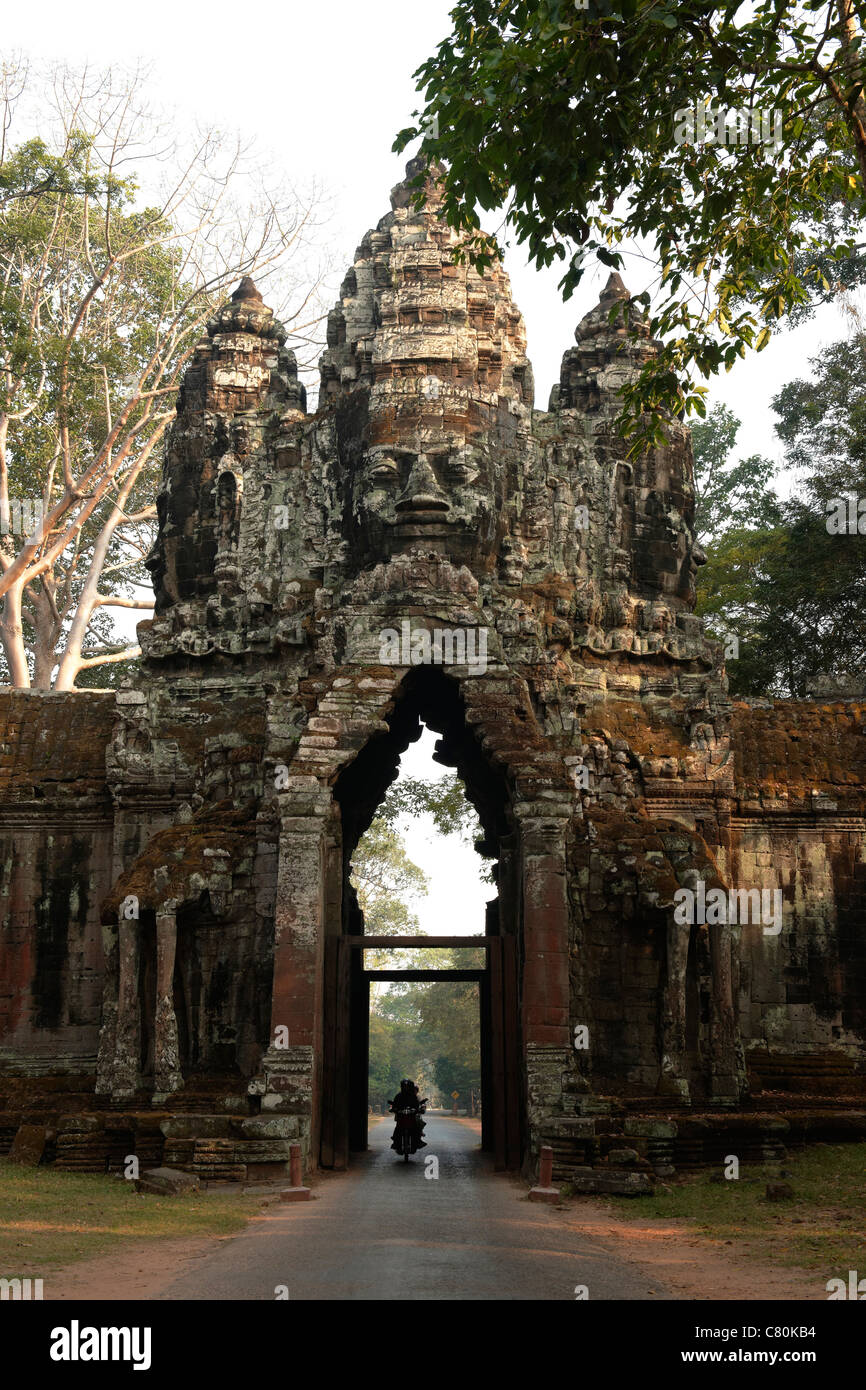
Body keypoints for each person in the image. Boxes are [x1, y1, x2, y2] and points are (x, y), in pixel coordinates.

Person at [389, 1078, 427, 1153]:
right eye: (404, 1086)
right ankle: (396, 1143)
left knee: (416, 1128)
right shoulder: (398, 1096)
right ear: (402, 1087)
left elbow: (417, 1105)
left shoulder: (413, 1096)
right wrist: (394, 1109)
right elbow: (395, 1105)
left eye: (407, 1086)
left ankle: (418, 1142)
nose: (406, 1088)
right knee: (398, 1129)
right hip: (401, 1117)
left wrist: (419, 1110)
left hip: (411, 1117)